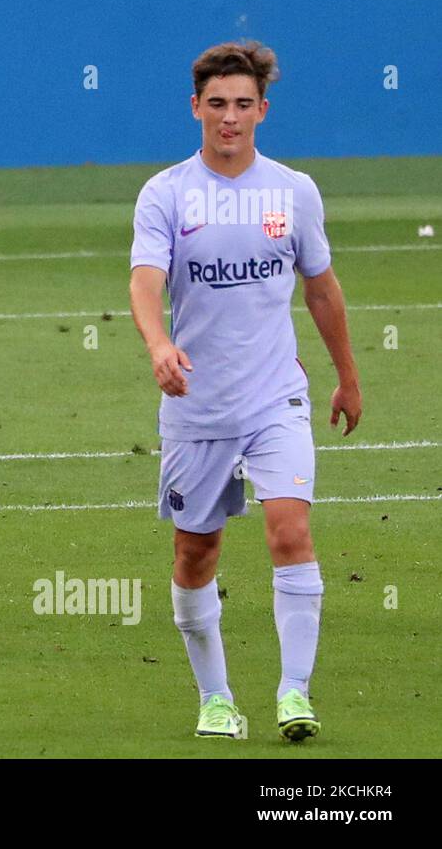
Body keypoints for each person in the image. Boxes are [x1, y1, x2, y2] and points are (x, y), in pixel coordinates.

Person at [129, 42, 362, 740]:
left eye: (243, 105)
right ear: (195, 107)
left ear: (263, 110)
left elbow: (320, 287)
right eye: (217, 104)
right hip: (197, 406)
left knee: (290, 529)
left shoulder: (294, 190)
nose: (230, 118)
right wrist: (160, 344)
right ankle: (216, 699)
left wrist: (348, 375)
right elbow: (146, 280)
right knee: (195, 554)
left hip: (275, 398)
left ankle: (295, 692)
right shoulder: (167, 193)